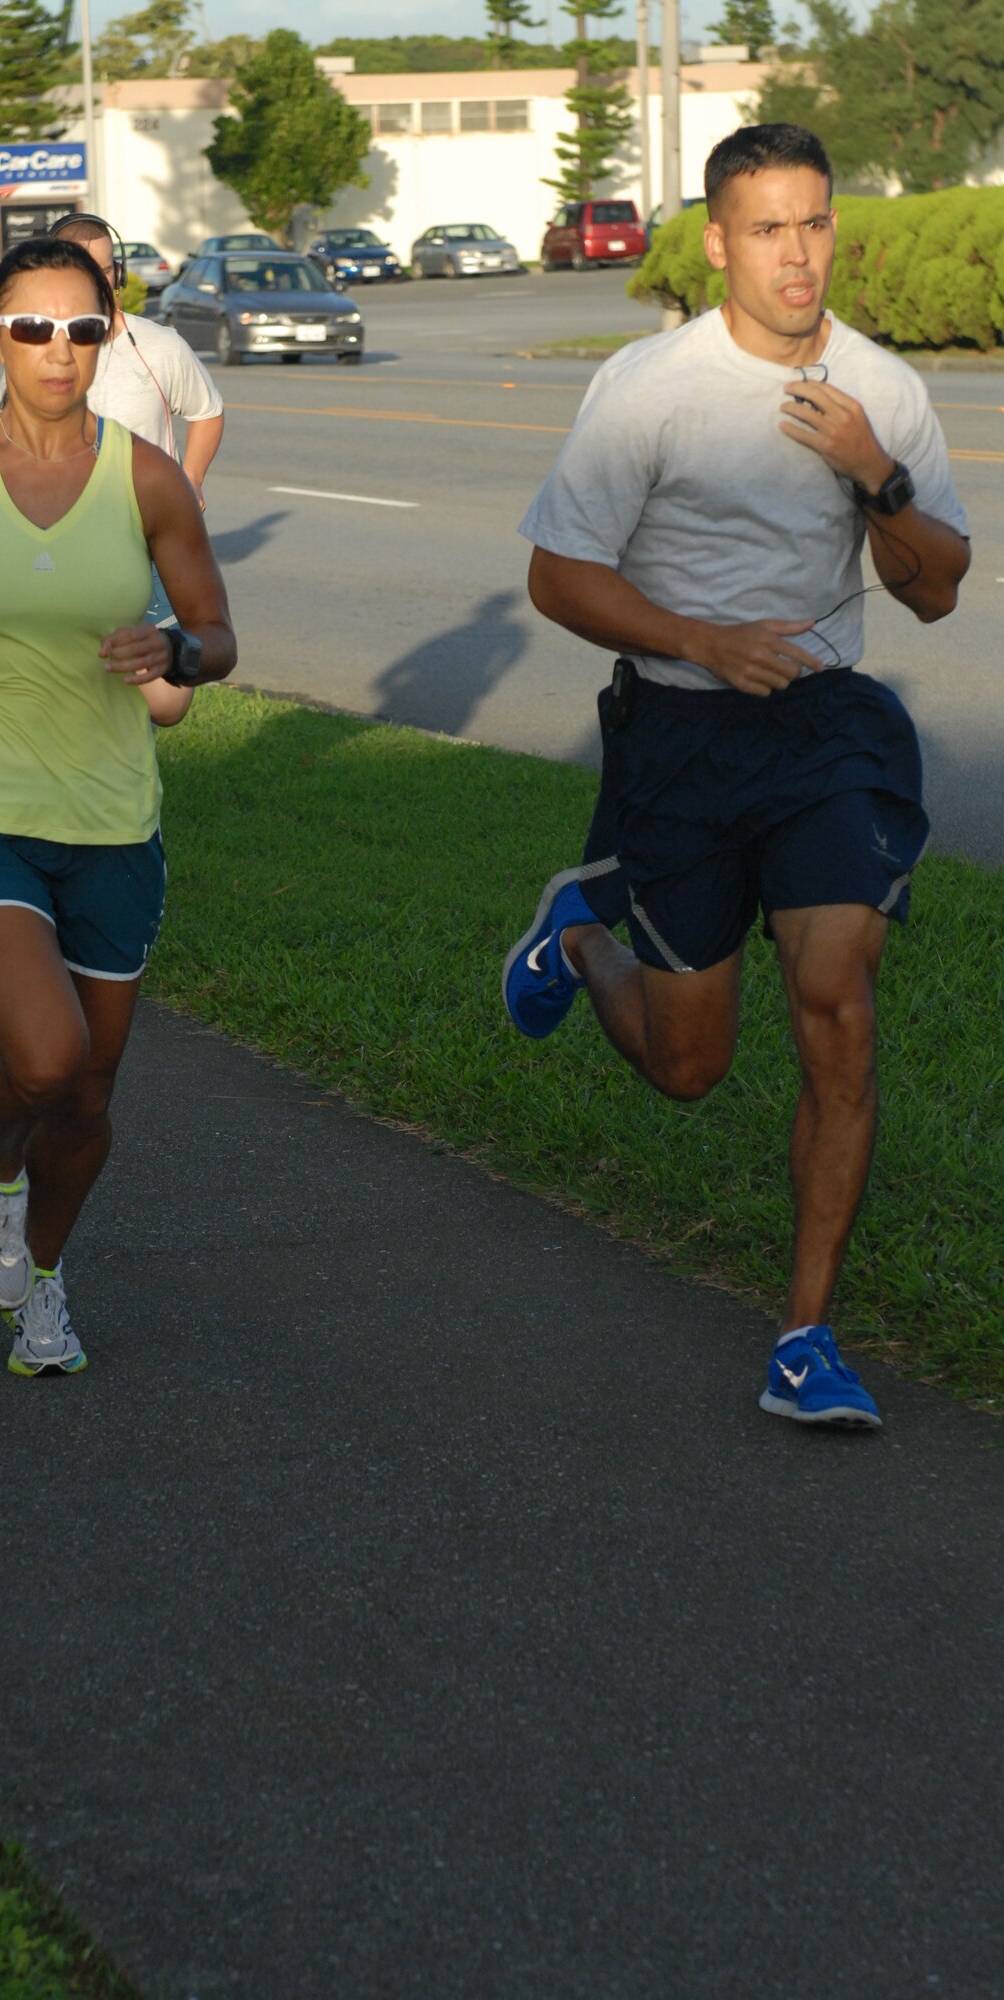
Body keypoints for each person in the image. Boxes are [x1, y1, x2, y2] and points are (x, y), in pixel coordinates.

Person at [505, 123, 970, 1432]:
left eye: (813, 225)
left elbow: (931, 595)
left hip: (826, 725)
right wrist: (696, 637)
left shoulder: (879, 391)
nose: (795, 255)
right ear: (715, 242)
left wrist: (869, 473)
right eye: (766, 229)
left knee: (834, 992)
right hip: (679, 728)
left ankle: (802, 1337)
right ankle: (575, 942)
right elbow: (557, 577)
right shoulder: (650, 386)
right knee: (685, 1069)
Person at [0, 234, 236, 1376]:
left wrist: (177, 644)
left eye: (82, 327)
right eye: (33, 327)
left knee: (88, 1093)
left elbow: (217, 636)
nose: (58, 349)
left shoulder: (147, 476)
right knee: (45, 1055)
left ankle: (45, 1285)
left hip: (115, 822)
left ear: (109, 331)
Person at [0, 211, 224, 623]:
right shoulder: (29, 353)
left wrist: (191, 479)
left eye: (102, 270)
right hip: (59, 548)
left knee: (166, 678)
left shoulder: (160, 347)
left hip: (149, 544)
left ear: (118, 275)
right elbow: (1, 441)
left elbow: (207, 412)